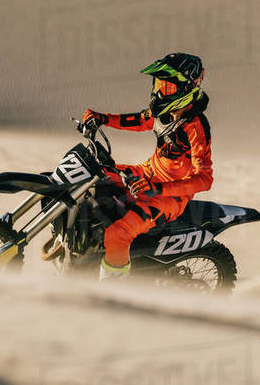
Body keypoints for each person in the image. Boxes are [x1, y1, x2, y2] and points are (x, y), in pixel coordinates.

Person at [82, 52, 213, 280]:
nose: (160, 92)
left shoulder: (195, 127)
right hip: (144, 175)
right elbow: (139, 120)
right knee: (89, 174)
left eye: (168, 87)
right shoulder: (165, 113)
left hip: (167, 197)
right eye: (159, 84)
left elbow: (204, 180)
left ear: (187, 88)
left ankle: (112, 298)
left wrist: (158, 190)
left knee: (118, 234)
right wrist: (101, 118)